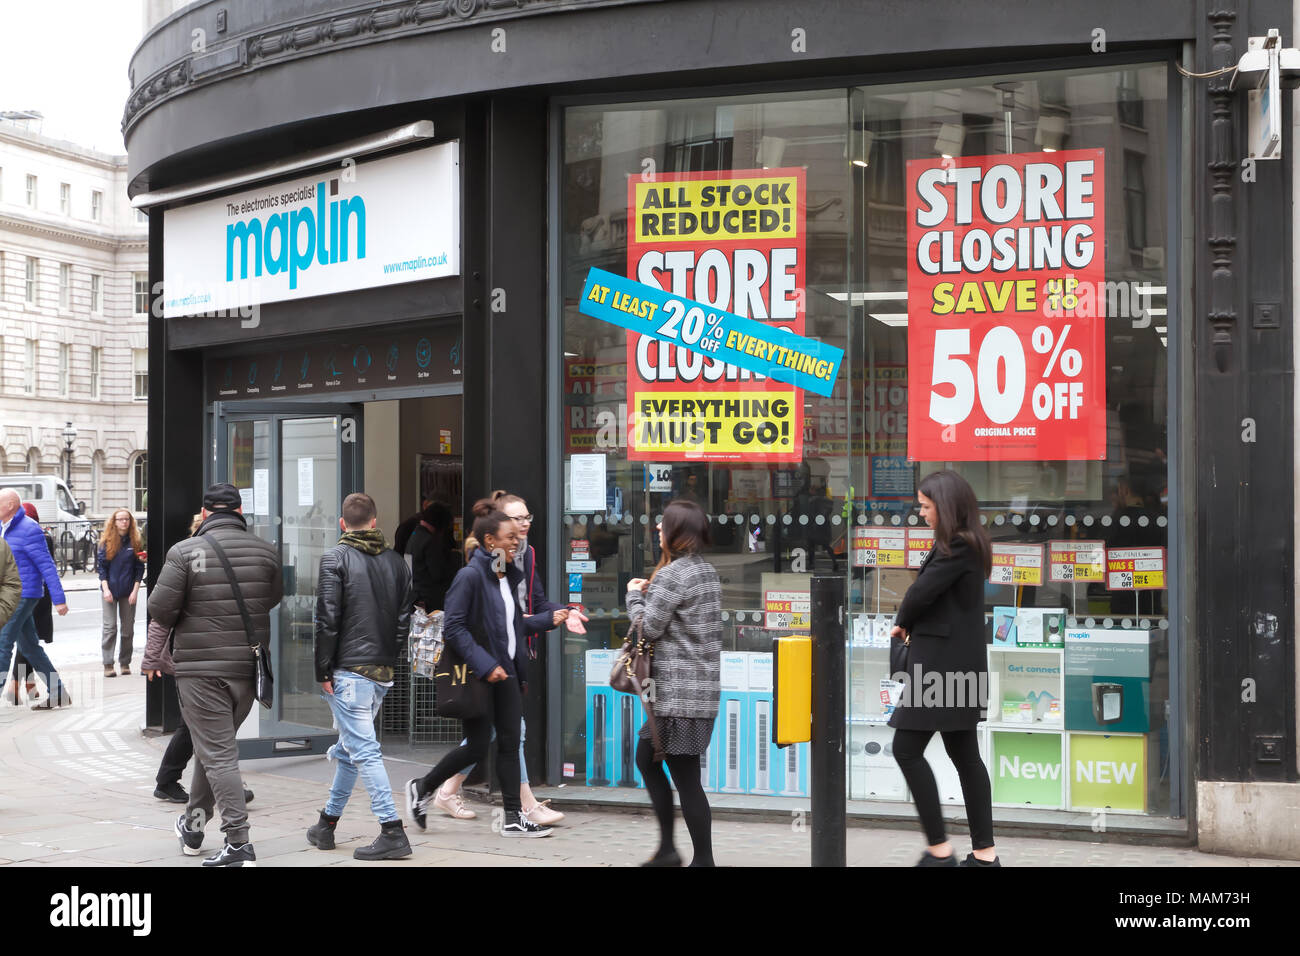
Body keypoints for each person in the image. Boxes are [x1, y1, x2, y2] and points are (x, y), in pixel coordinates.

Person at [147, 483, 282, 867]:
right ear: (240, 511)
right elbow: (270, 598)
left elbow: (161, 609)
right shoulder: (266, 551)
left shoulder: (185, 552)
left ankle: (239, 843)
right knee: (213, 751)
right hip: (247, 669)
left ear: (204, 514)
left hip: (202, 671)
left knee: (218, 754)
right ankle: (192, 827)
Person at [404, 499, 552, 838]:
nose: (517, 542)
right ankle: (423, 786)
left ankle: (513, 817)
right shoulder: (469, 577)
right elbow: (453, 628)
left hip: (507, 675)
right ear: (490, 542)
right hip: (482, 676)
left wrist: (549, 621)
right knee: (476, 745)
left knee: (510, 743)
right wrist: (487, 666)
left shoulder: (506, 577)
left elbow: (513, 628)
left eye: (518, 536)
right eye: (510, 537)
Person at [435, 491, 578, 825]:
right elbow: (494, 620)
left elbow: (534, 605)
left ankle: (442, 789)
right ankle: (523, 806)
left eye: (527, 518)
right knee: (512, 733)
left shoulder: (525, 555)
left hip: (513, 656)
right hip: (489, 659)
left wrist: (564, 612)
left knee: (492, 737)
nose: (524, 525)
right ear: (497, 528)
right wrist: (543, 621)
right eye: (517, 519)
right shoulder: (485, 562)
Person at [889, 469, 999, 867]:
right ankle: (984, 856)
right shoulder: (967, 544)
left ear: (945, 507)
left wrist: (901, 621)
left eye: (925, 506)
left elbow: (921, 592)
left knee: (906, 748)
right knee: (965, 754)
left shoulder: (957, 546)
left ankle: (940, 850)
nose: (921, 513)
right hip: (957, 666)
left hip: (941, 669)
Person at [306, 492, 415, 860]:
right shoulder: (397, 563)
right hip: (379, 670)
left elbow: (327, 618)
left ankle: (392, 830)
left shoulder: (335, 558)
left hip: (348, 672)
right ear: (374, 521)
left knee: (364, 751)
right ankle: (327, 823)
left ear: (342, 524)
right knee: (353, 749)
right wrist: (389, 659)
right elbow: (404, 621)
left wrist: (323, 668)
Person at [625, 498, 722, 867]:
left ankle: (701, 859)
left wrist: (634, 596)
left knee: (685, 777)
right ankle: (669, 849)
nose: (658, 531)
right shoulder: (706, 572)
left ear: (676, 533)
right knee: (651, 760)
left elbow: (647, 629)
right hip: (698, 694)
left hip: (676, 698)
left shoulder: (673, 574)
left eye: (662, 526)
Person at [144, 514, 255, 807]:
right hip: (191, 660)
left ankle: (178, 781)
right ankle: (170, 781)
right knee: (196, 728)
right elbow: (161, 616)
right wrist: (152, 658)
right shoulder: (186, 562)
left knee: (201, 728)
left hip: (210, 659)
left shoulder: (217, 565)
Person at [0, 489, 71, 709]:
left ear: (11, 504)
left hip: (23, 593)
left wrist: (59, 599)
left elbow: (47, 565)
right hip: (10, 592)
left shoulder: (29, 529)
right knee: (30, 647)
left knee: (3, 642)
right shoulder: (3, 527)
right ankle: (58, 692)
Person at [97, 508, 145, 678]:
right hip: (109, 590)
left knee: (127, 630)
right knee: (110, 628)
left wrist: (135, 592)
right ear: (114, 522)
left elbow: (140, 568)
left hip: (128, 591)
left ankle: (125, 662)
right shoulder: (107, 542)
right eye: (120, 519)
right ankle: (108, 664)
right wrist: (106, 589)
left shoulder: (135, 541)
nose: (124, 522)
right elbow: (101, 568)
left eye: (126, 519)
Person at [406, 501, 460, 612]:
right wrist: (455, 558)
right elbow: (438, 573)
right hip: (430, 600)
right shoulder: (430, 541)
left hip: (415, 596)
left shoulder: (414, 536)